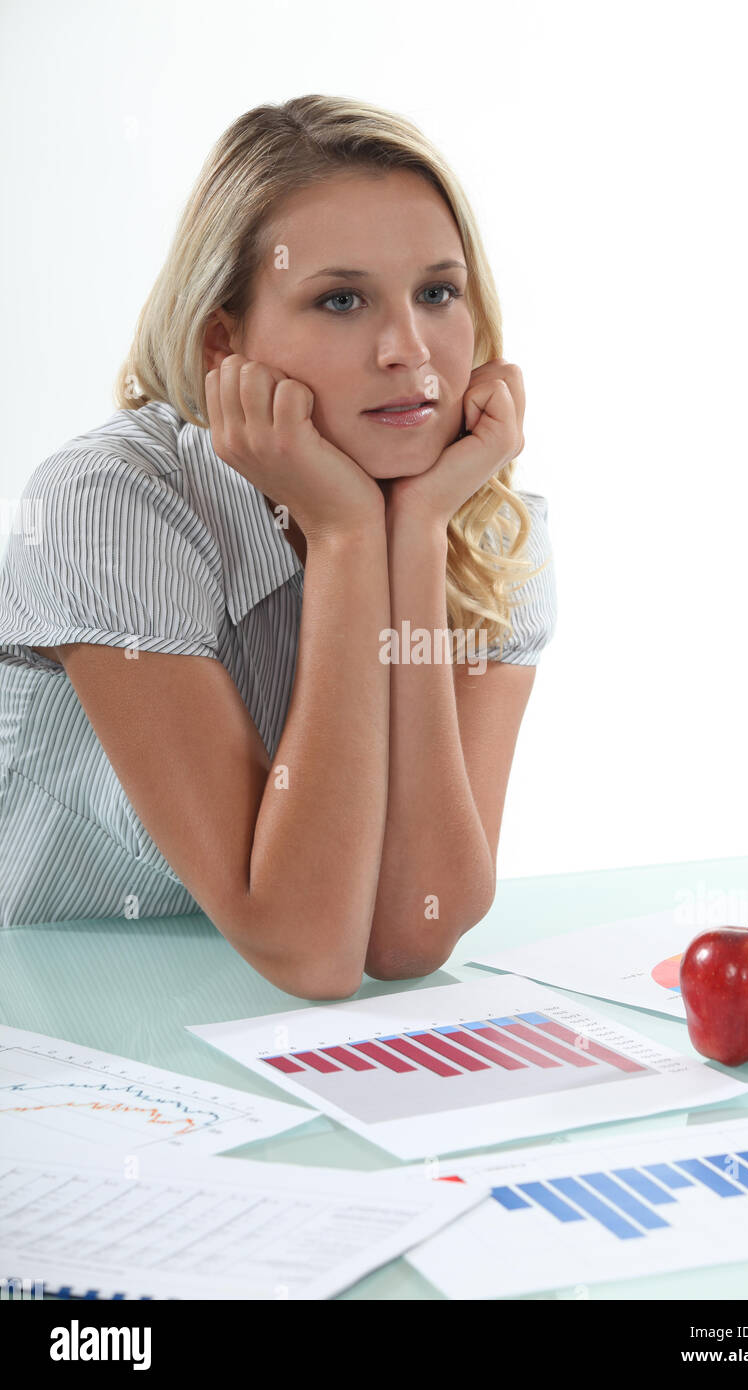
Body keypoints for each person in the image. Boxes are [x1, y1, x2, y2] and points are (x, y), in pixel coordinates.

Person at [0, 95, 557, 997]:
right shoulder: (110, 508)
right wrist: (343, 535)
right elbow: (308, 950)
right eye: (341, 299)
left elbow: (412, 932)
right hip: (57, 1023)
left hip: (266, 1041)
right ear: (226, 344)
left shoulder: (486, 526)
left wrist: (411, 536)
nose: (409, 353)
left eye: (437, 292)